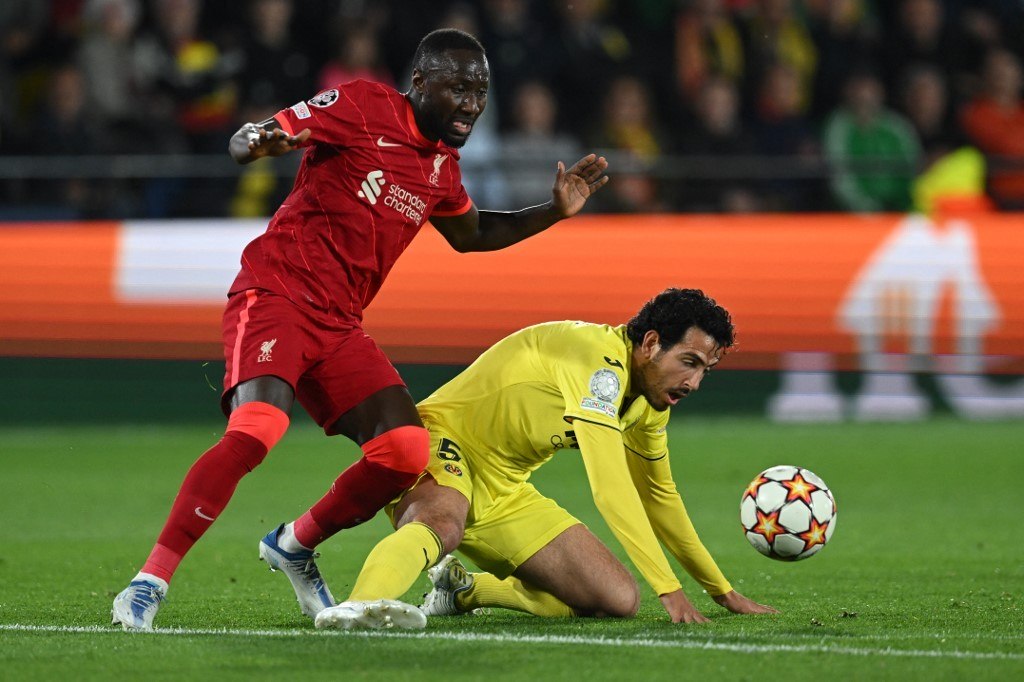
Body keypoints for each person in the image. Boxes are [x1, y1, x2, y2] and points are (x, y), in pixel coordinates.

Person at [111, 28, 610, 631]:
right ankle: (148, 582)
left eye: (479, 89)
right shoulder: (364, 105)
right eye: (457, 87)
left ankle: (294, 542)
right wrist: (258, 142)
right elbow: (261, 137)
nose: (472, 103)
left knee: (405, 451)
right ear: (419, 83)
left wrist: (552, 212)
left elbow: (472, 234)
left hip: (340, 325)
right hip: (276, 294)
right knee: (258, 430)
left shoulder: (441, 169)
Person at [311, 288, 777, 630]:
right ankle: (358, 608)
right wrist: (670, 590)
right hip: (443, 443)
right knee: (444, 523)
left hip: (505, 487)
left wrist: (721, 591)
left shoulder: (647, 405)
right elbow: (610, 489)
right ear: (651, 342)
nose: (693, 384)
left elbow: (658, 498)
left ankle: (466, 590)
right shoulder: (600, 366)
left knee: (615, 599)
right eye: (689, 362)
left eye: (706, 371)